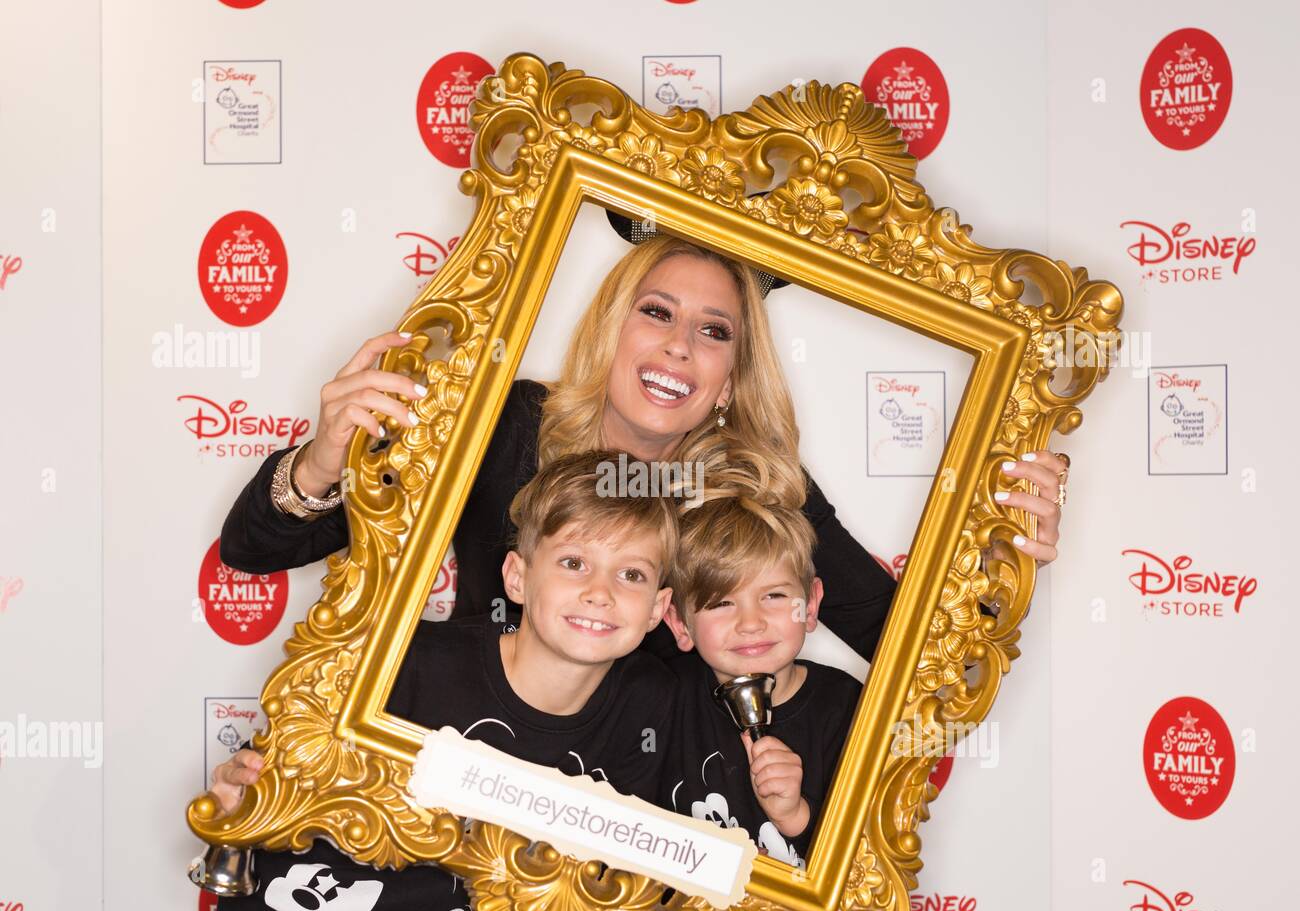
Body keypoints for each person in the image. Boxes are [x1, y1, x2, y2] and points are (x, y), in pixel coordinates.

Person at [218, 228, 1071, 671]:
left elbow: (906, 647)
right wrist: (325, 459)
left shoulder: (761, 487)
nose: (676, 350)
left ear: (734, 376)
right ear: (612, 326)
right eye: (656, 313)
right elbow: (254, 549)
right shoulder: (506, 423)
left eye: (712, 332)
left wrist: (993, 559)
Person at [203, 450, 678, 911]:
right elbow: (286, 762)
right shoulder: (409, 660)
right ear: (517, 577)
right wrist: (247, 789)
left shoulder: (647, 708)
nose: (600, 593)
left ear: (657, 608)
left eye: (631, 575)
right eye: (573, 563)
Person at [656, 491, 901, 911]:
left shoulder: (849, 708)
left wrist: (799, 818)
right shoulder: (661, 699)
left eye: (773, 596)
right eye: (721, 602)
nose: (751, 622)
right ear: (679, 622)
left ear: (810, 606)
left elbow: (875, 887)